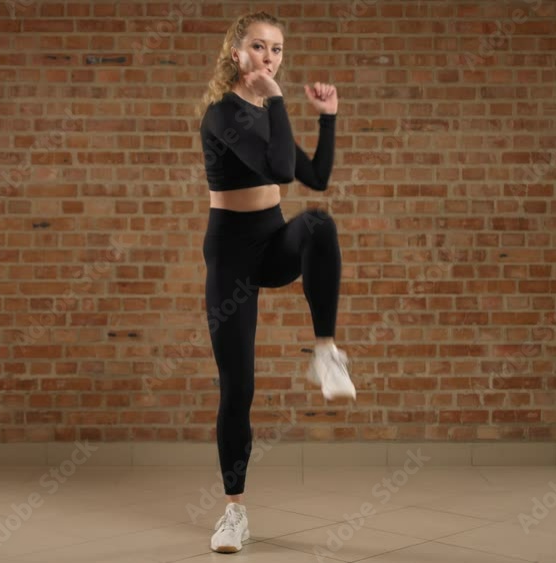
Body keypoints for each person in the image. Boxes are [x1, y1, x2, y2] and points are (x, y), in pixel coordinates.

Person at [196, 10, 357, 554]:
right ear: (236, 53)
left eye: (278, 50)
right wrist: (281, 101)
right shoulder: (222, 114)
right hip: (231, 256)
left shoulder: (266, 107)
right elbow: (282, 167)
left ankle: (326, 351)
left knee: (317, 222)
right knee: (238, 386)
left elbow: (315, 178)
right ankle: (234, 512)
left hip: (271, 241)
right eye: (260, 48)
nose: (270, 58)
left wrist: (328, 117)